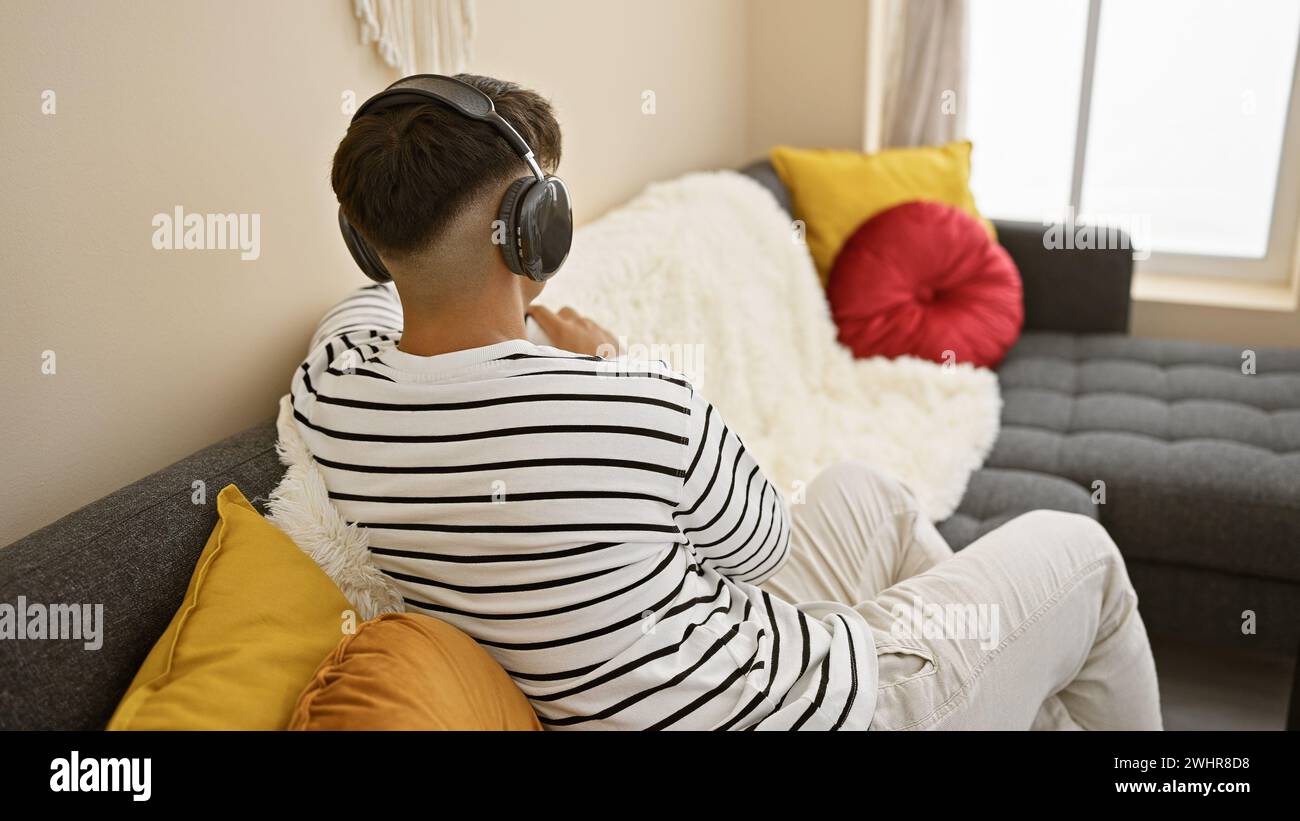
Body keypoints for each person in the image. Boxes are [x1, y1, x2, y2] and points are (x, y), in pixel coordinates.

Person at [291, 73, 1161, 730]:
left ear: (368, 246)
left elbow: (383, 306)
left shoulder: (330, 389)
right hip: (820, 712)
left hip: (698, 677)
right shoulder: (633, 404)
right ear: (537, 229)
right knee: (1083, 551)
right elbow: (762, 546)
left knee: (866, 491)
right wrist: (605, 363)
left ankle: (1005, 690)